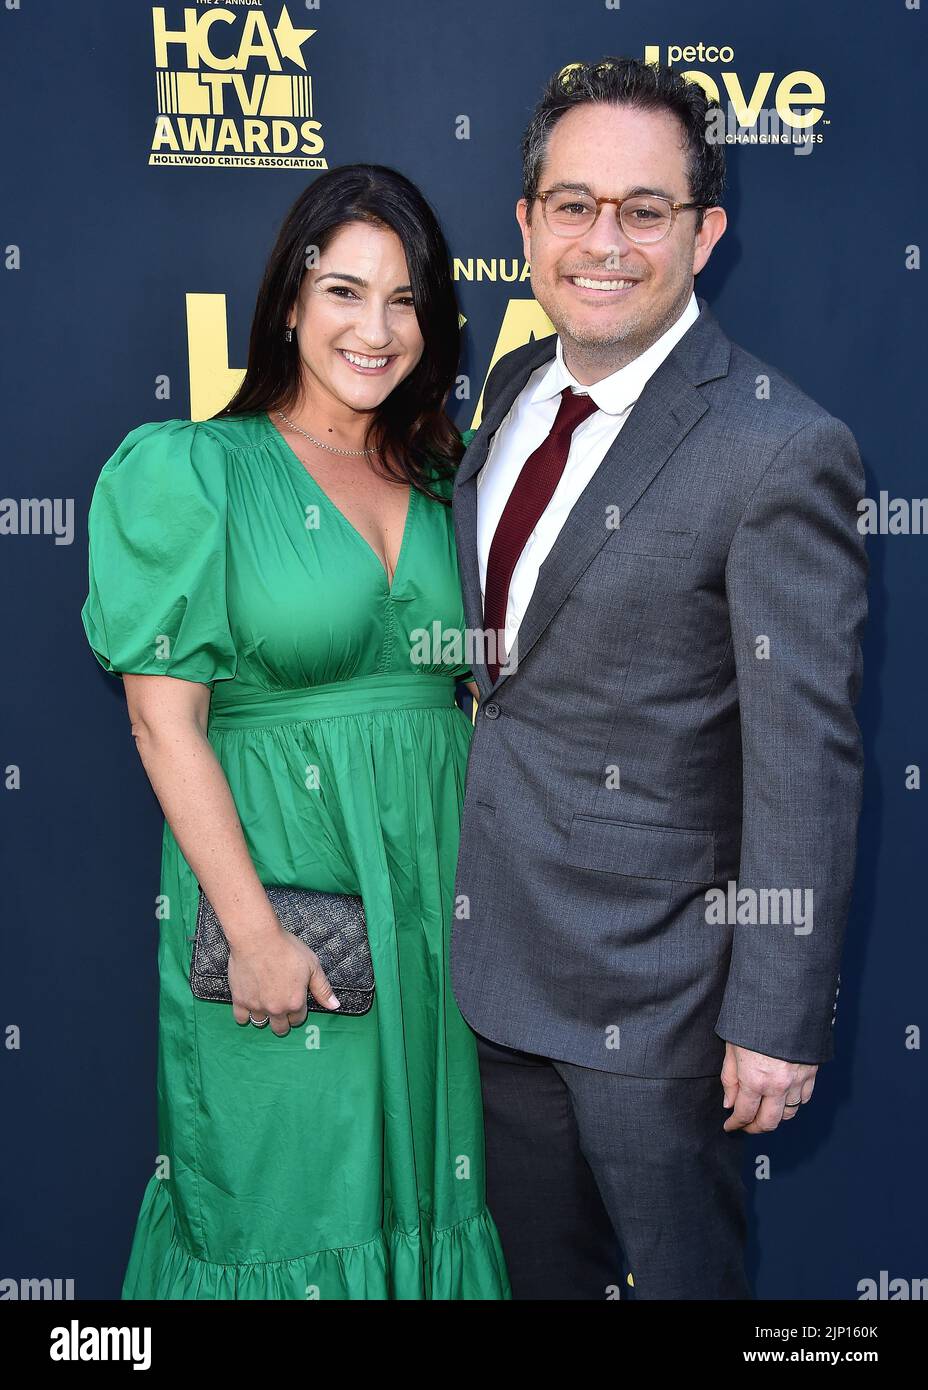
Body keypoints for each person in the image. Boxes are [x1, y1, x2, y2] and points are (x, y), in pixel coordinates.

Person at [449, 57, 868, 1299]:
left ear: (706, 232)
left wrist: (775, 1016)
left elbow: (807, 753)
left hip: (662, 1001)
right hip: (494, 975)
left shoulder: (778, 447)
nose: (604, 242)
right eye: (572, 205)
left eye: (645, 210)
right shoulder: (516, 387)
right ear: (525, 224)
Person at [80, 164, 510, 1300]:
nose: (377, 329)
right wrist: (253, 930)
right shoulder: (193, 472)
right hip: (284, 897)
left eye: (406, 298)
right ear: (286, 301)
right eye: (344, 292)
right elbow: (160, 724)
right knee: (281, 1211)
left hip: (434, 901)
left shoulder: (445, 475)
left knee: (429, 1199)